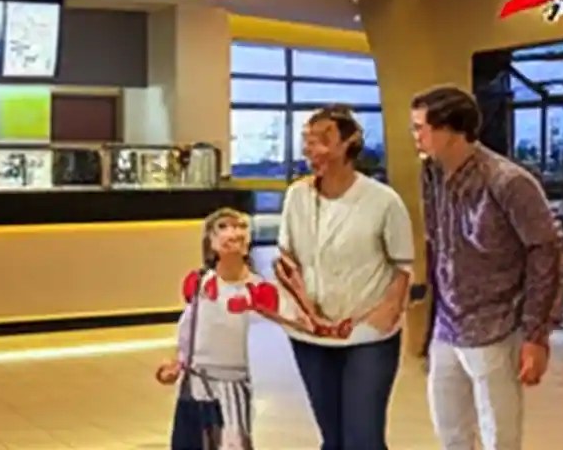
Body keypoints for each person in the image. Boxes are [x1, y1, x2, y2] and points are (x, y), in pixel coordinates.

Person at [410, 85, 563, 450]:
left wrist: (535, 334)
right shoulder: (431, 175)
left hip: (497, 323)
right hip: (448, 324)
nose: (416, 137)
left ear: (452, 130)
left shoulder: (507, 182)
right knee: (449, 428)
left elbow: (547, 251)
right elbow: (438, 244)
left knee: (499, 433)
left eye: (421, 127)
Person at [273, 104, 414, 450]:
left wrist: (389, 309)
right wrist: (306, 311)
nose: (312, 149)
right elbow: (286, 259)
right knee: (332, 439)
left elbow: (404, 265)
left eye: (324, 139)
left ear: (350, 142)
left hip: (368, 333)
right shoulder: (297, 196)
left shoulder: (383, 201)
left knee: (363, 438)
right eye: (308, 141)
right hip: (310, 333)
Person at [156, 207, 283, 450]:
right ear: (210, 242)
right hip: (195, 383)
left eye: (239, 227)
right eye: (223, 227)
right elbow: (188, 329)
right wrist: (175, 363)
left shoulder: (260, 291)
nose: (232, 232)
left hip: (234, 385)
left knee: (231, 441)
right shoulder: (199, 283)